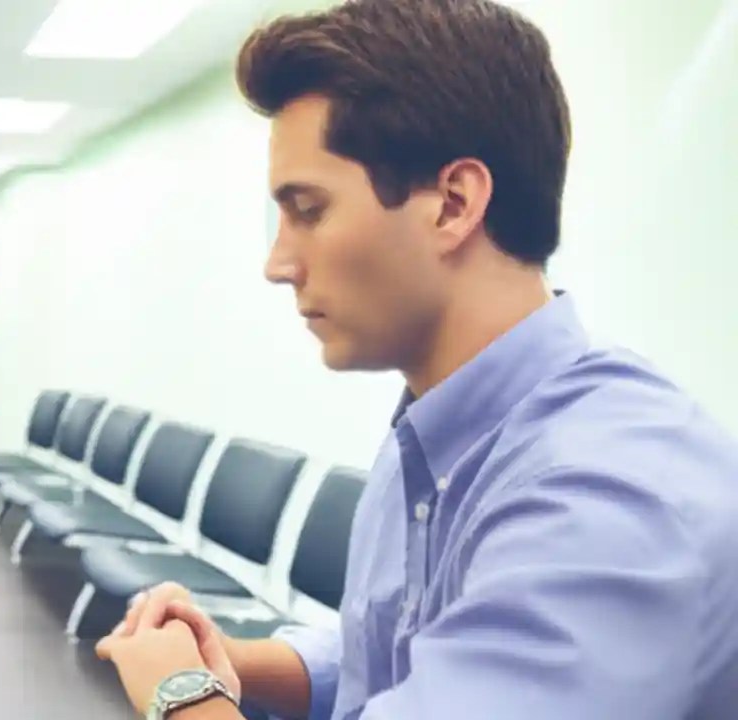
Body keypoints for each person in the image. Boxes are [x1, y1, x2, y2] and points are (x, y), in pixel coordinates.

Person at [93, 0, 738, 718]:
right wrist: (239, 663)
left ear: (453, 204)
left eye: (308, 210)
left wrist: (181, 695)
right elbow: (400, 653)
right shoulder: (444, 435)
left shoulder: (608, 501)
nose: (279, 264)